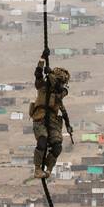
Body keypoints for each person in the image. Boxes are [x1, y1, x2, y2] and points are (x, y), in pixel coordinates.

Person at [29, 49, 74, 180]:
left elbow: (60, 89)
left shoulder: (61, 91)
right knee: (42, 141)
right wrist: (42, 58)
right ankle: (37, 169)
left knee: (57, 147)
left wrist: (50, 75)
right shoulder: (42, 86)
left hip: (53, 121)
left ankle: (48, 169)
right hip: (40, 118)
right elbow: (37, 73)